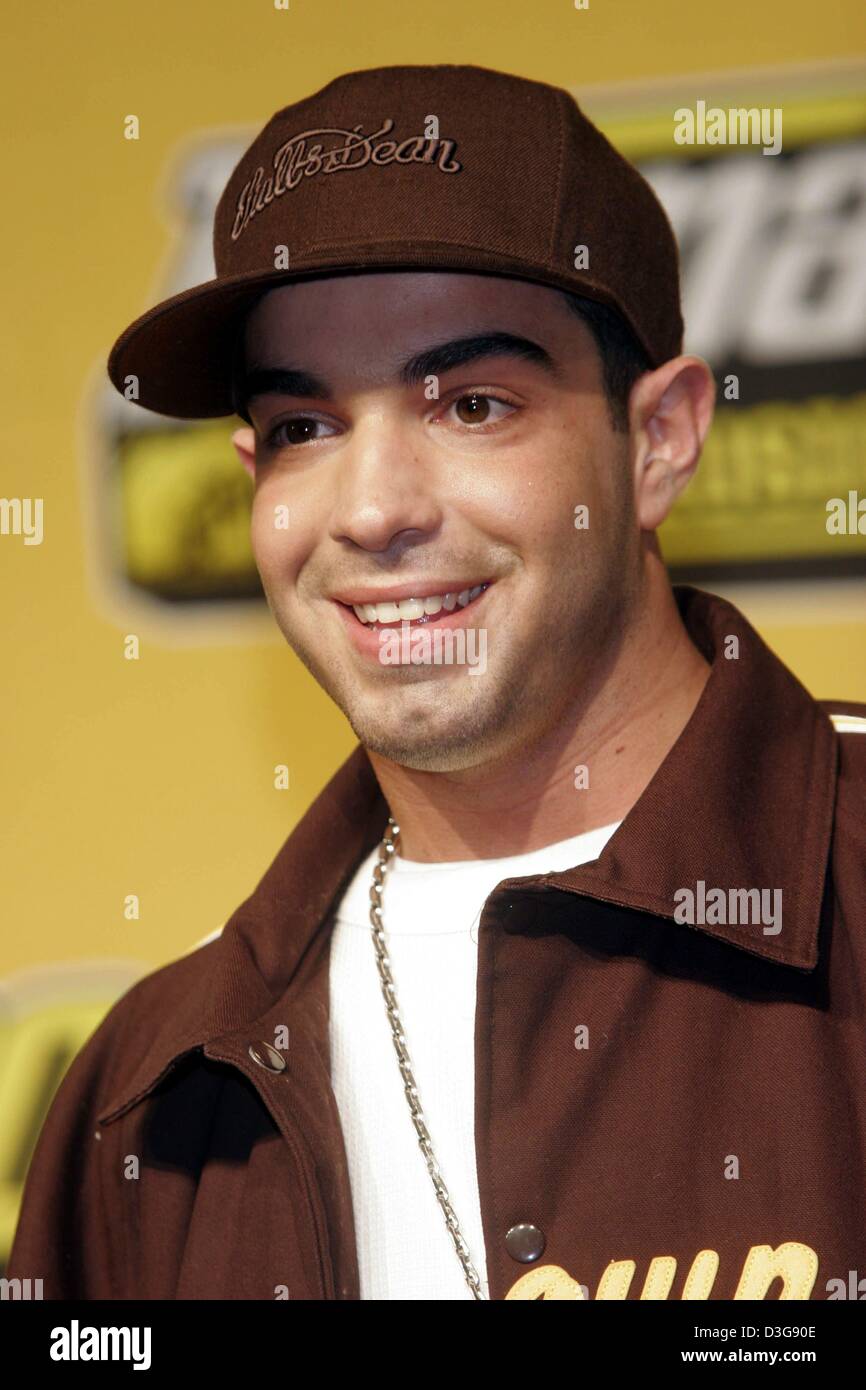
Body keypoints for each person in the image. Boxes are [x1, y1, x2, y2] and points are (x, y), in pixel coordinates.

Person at [8, 63, 866, 1303]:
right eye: (304, 428)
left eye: (471, 404)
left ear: (660, 441)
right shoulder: (149, 1091)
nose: (371, 510)